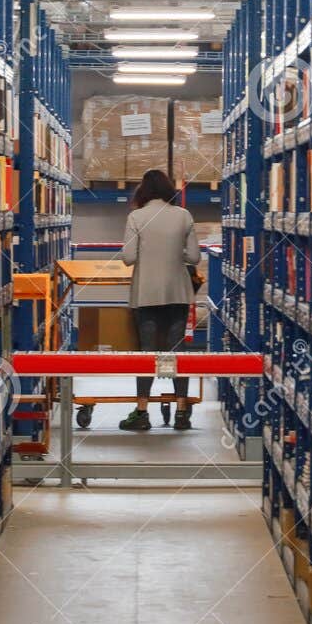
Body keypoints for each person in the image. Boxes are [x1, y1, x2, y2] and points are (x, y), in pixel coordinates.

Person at [117, 168, 201, 431]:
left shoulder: (136, 217)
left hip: (146, 293)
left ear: (144, 191)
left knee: (147, 352)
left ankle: (142, 413)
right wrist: (176, 254)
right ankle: (181, 412)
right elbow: (195, 257)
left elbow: (128, 258)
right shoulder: (184, 216)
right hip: (178, 292)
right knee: (178, 351)